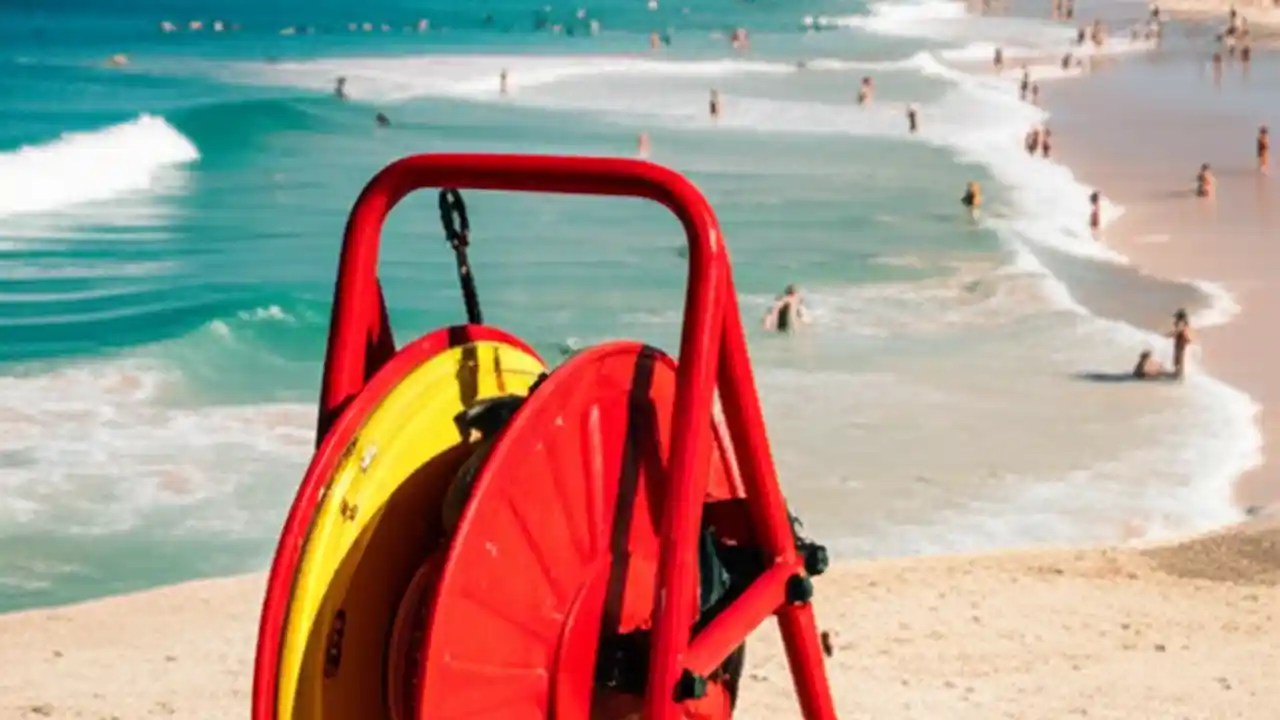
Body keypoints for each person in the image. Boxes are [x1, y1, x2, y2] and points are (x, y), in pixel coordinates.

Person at [1168, 309, 1193, 379]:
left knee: (1178, 356)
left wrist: (1169, 335)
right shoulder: (1184, 322)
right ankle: (1179, 373)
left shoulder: (1180, 322)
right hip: (1181, 340)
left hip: (1180, 340)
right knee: (1180, 356)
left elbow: (1178, 330)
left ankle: (1178, 374)